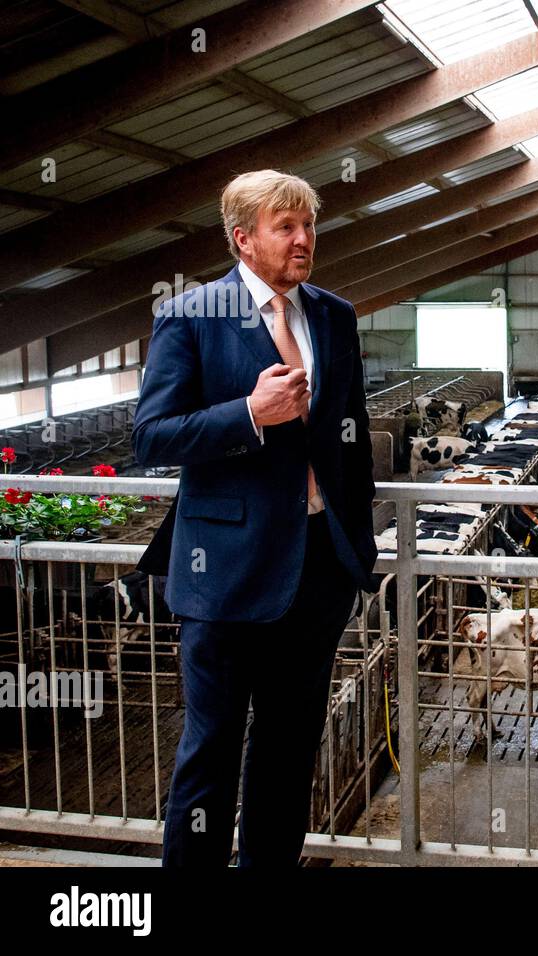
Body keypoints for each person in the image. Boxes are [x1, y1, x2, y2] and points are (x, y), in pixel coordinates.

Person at [133, 169, 378, 866]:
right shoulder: (190, 314)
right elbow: (152, 436)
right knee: (209, 750)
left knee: (290, 746)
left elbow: (349, 432)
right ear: (243, 239)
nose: (304, 240)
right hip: (226, 573)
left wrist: (354, 541)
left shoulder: (332, 315)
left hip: (318, 569)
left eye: (308, 226)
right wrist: (248, 414)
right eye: (286, 227)